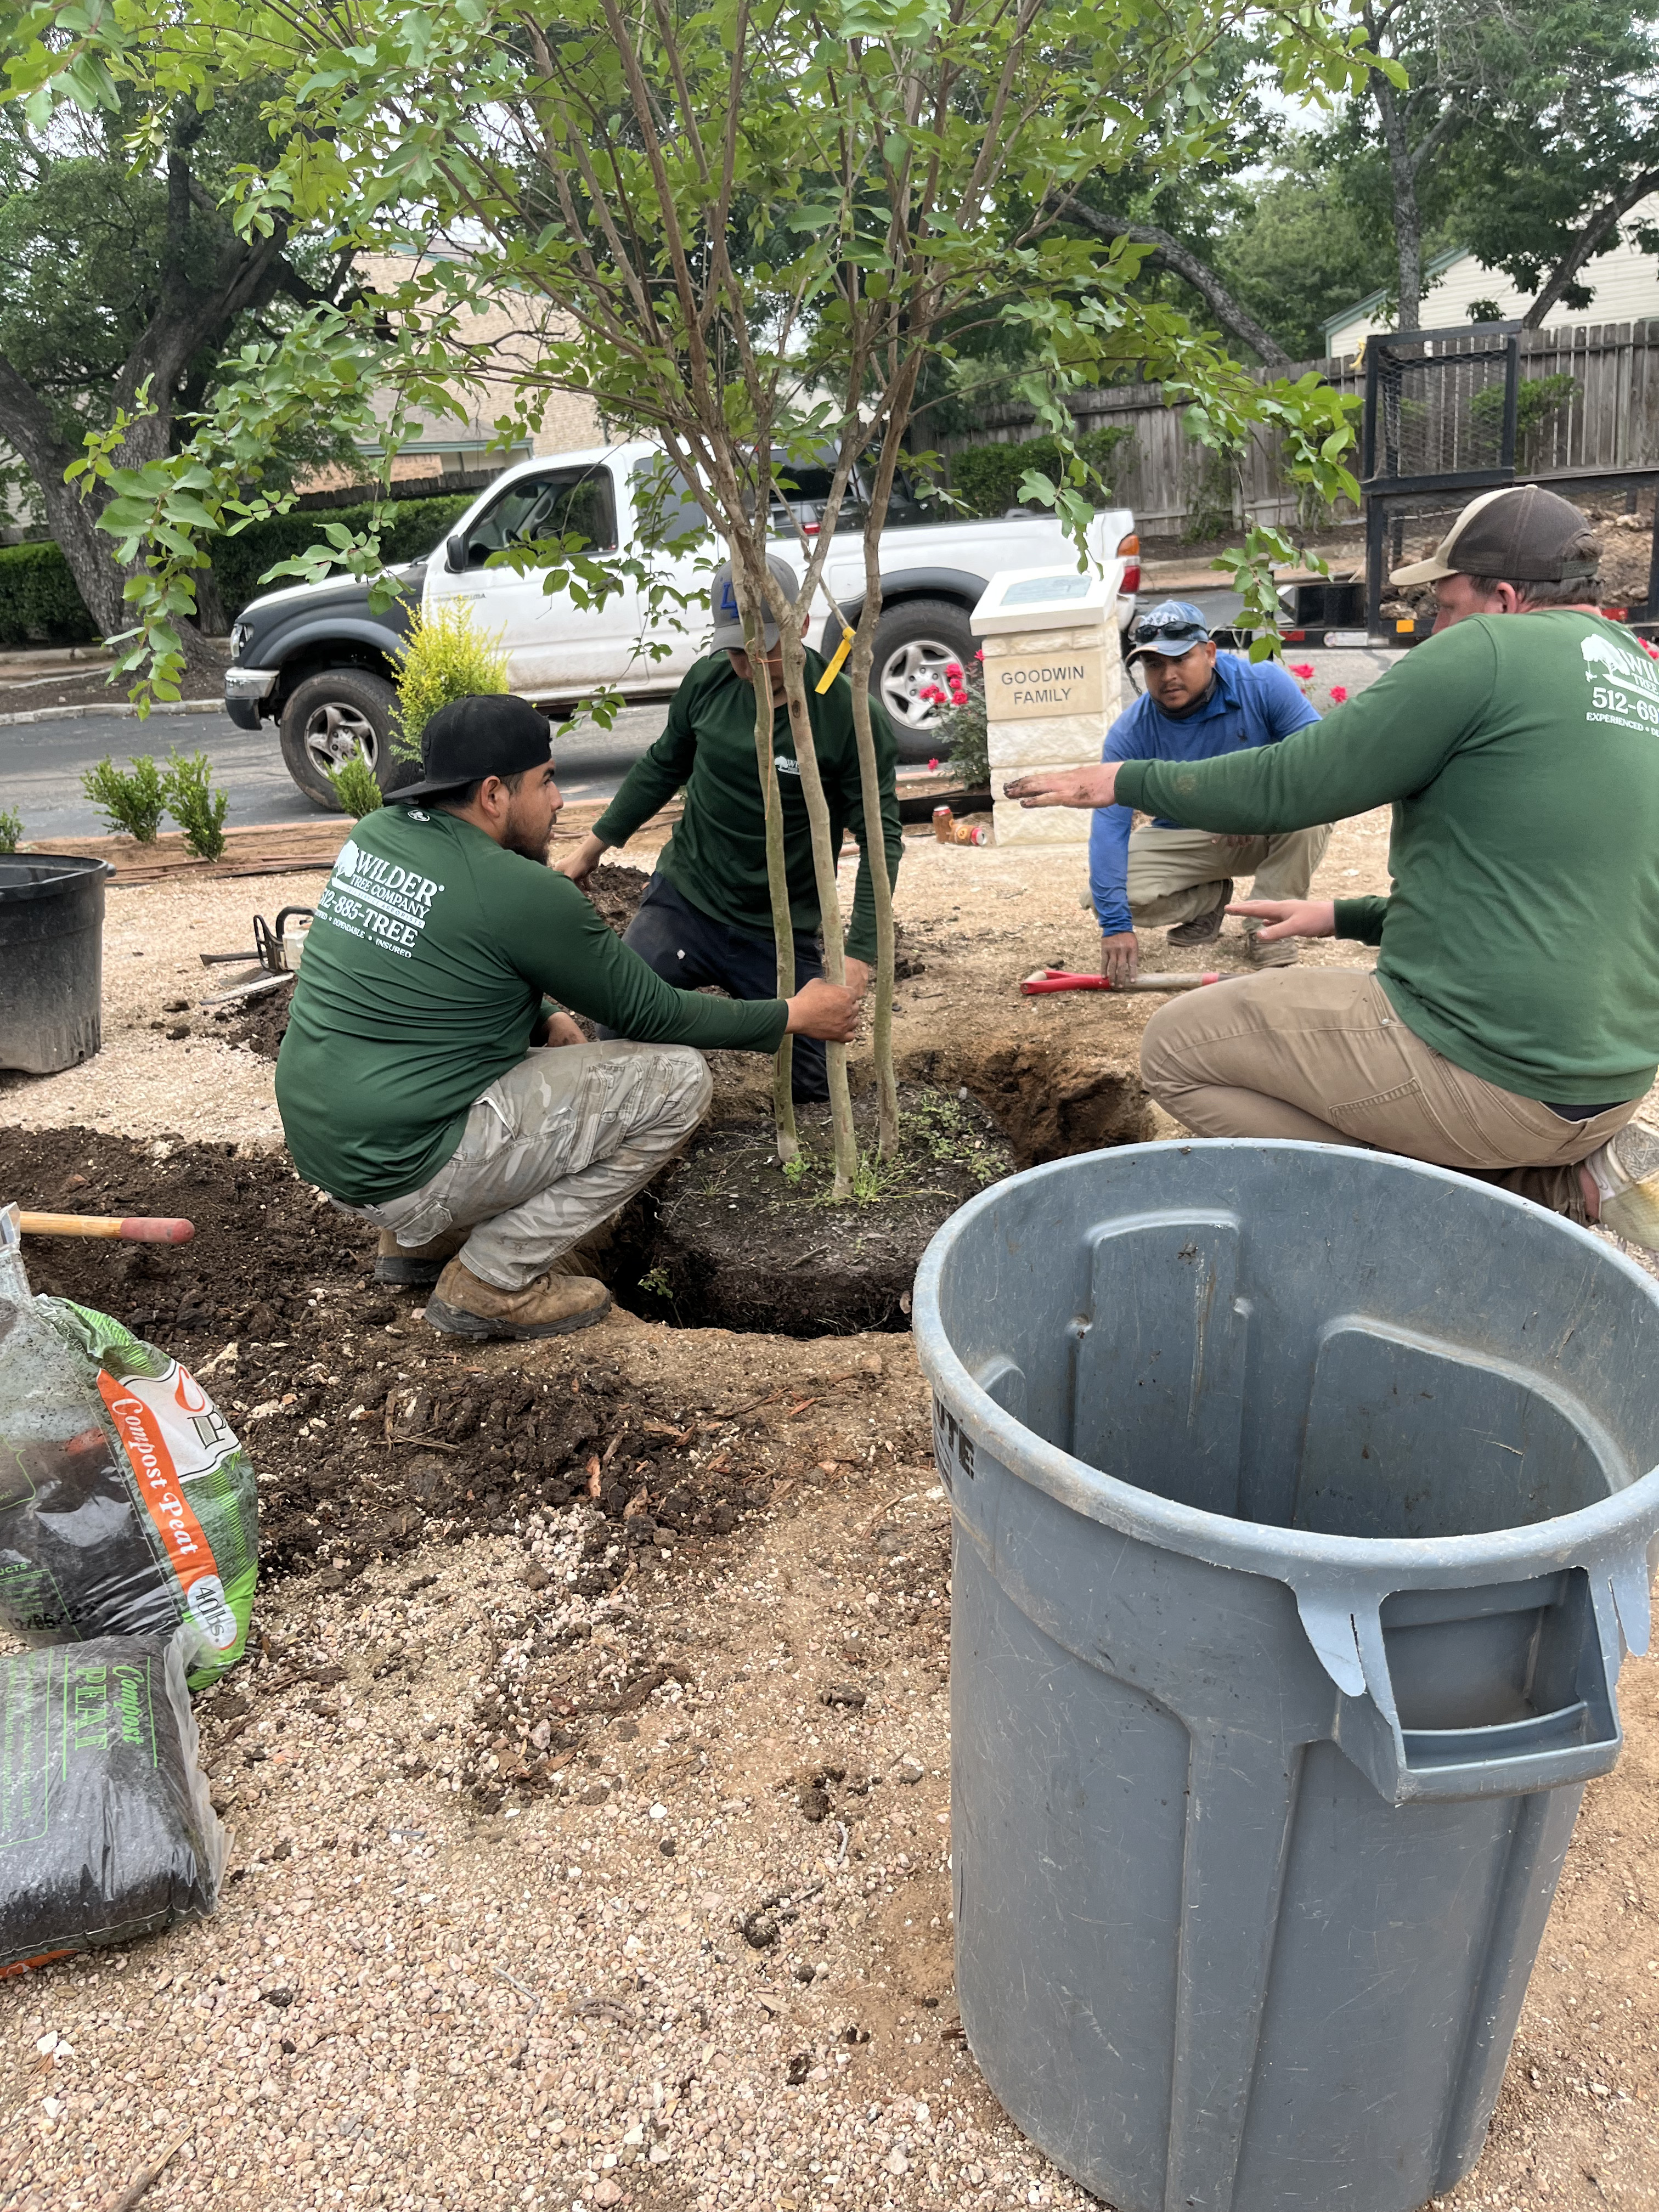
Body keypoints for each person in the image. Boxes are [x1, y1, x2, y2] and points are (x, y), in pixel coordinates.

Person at [1005, 484, 1659, 1253]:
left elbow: (1295, 782)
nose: (1434, 629)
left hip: (1493, 1079)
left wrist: (1120, 781)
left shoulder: (1487, 651)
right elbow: (1557, 897)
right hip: (1608, 1088)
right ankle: (1574, 1172)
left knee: (1174, 1052)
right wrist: (1343, 917)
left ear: (1506, 598)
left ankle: (1491, 1195)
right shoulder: (1639, 674)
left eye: (1444, 607)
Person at [274, 695, 861, 1340]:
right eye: (547, 779)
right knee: (679, 1081)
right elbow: (651, 1010)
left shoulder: (375, 837)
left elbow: (437, 962)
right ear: (494, 794)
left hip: (329, 1147)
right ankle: (492, 1280)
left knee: (449, 1065)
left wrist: (546, 1013)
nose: (558, 801)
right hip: (407, 1164)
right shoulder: (521, 890)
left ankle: (413, 1246)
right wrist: (793, 1015)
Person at [556, 556, 902, 1099]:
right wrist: (592, 847)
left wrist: (858, 959)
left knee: (813, 1084)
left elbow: (882, 841)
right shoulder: (710, 682)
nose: (747, 664)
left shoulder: (844, 715)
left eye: (761, 647)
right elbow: (662, 765)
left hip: (779, 927)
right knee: (620, 1019)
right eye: (736, 649)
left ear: (802, 625)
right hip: (687, 899)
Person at [1091, 599, 1330, 982]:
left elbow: (1319, 757)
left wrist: (1250, 804)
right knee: (1107, 898)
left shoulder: (1263, 683)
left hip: (1263, 825)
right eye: (1154, 664)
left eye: (1180, 659)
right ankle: (1209, 900)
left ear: (1210, 654)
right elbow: (1108, 827)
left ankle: (1265, 924)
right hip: (1185, 836)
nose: (1167, 675)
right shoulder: (1130, 732)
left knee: (1317, 807)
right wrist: (1116, 925)